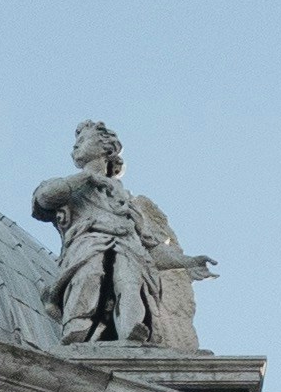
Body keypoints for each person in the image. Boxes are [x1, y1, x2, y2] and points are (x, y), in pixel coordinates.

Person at [29, 120, 212, 348]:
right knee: (89, 276)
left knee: (130, 284)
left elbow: (150, 246)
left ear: (106, 148)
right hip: (88, 246)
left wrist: (187, 262)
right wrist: (87, 177)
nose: (75, 147)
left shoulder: (124, 197)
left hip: (128, 247)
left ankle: (131, 329)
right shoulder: (71, 185)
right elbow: (46, 197)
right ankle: (77, 329)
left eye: (82, 140)